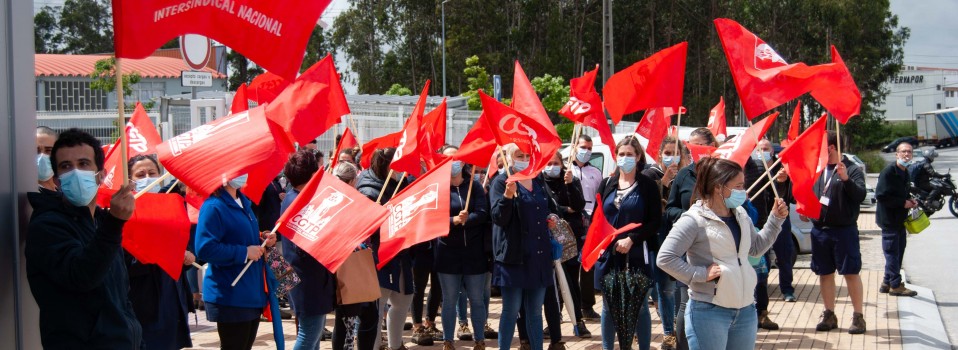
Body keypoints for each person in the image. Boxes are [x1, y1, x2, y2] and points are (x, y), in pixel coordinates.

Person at [26, 128, 140, 349]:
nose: (75, 172)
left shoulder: (100, 222)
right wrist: (114, 224)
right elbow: (82, 276)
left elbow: (121, 299)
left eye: (84, 164)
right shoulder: (47, 225)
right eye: (66, 167)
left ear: (101, 174)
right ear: (57, 180)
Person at [657, 158, 788, 350]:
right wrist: (701, 274)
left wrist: (775, 219)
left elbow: (756, 248)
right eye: (738, 186)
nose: (743, 190)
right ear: (719, 187)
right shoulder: (694, 219)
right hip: (708, 311)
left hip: (745, 310)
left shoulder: (741, 214)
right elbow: (665, 258)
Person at [196, 171, 278, 350]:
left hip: (250, 292)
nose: (244, 173)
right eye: (239, 169)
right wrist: (243, 253)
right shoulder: (213, 206)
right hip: (230, 294)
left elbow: (239, 236)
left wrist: (262, 238)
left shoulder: (242, 202)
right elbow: (204, 248)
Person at [594, 136, 662, 350]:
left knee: (639, 305)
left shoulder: (648, 186)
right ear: (615, 156)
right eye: (621, 154)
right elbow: (598, 219)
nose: (625, 158)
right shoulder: (606, 183)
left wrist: (633, 238)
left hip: (636, 255)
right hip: (608, 255)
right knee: (608, 305)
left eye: (629, 154)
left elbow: (654, 222)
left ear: (638, 156)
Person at [489, 144, 556, 350]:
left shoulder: (537, 179)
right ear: (509, 158)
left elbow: (549, 208)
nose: (524, 159)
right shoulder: (501, 182)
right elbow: (498, 218)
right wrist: (508, 196)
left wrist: (552, 217)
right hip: (514, 257)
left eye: (527, 155)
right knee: (511, 310)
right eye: (519, 155)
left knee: (535, 311)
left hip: (539, 255)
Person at [125, 154, 195, 350]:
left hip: (173, 300)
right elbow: (124, 263)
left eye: (152, 173)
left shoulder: (170, 207)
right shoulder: (125, 212)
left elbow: (181, 249)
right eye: (140, 174)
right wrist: (159, 253)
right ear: (130, 180)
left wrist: (185, 258)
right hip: (144, 304)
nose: (147, 177)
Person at [801, 131, 867, 334]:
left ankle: (858, 317)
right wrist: (806, 209)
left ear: (830, 147)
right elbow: (810, 193)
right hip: (820, 231)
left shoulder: (852, 169)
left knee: (850, 272)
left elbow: (860, 195)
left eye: (819, 146)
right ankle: (829, 314)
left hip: (844, 231)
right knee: (824, 273)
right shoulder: (818, 169)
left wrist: (846, 179)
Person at [663, 127, 718, 350]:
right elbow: (671, 208)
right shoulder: (684, 174)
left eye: (697, 145)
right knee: (686, 302)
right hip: (690, 249)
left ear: (710, 146)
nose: (692, 150)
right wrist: (688, 217)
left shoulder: (720, 172)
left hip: (717, 247)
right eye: (689, 146)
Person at [355, 148, 414, 350]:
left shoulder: (400, 183)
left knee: (404, 299)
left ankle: (395, 345)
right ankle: (373, 345)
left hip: (401, 252)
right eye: (396, 163)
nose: (401, 168)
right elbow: (366, 226)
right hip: (381, 256)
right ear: (385, 165)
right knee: (376, 308)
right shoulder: (369, 190)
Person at [434, 145, 491, 350]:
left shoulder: (474, 186)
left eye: (456, 159)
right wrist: (453, 220)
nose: (453, 163)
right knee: (449, 299)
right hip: (447, 253)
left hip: (474, 254)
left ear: (464, 161)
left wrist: (468, 219)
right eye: (447, 160)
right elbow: (433, 218)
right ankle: (448, 340)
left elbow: (483, 213)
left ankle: (479, 339)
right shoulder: (438, 187)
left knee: (476, 299)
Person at [281, 150, 337, 350]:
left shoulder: (294, 196)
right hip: (307, 279)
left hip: (305, 278)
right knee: (309, 334)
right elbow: (305, 245)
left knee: (313, 335)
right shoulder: (299, 201)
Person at [641, 136, 686, 350]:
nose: (671, 157)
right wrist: (664, 183)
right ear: (659, 154)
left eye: (676, 152)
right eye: (667, 153)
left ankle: (672, 333)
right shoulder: (650, 175)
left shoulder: (685, 176)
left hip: (676, 239)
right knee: (656, 288)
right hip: (653, 240)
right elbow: (643, 201)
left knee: (670, 289)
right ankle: (664, 332)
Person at [329, 161, 381, 350]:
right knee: (358, 319)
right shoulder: (349, 202)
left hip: (343, 265)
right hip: (352, 265)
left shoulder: (330, 198)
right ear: (352, 181)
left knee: (346, 320)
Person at [744, 140, 793, 331]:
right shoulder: (724, 170)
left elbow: (774, 194)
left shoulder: (759, 166)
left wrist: (780, 183)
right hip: (734, 229)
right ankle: (745, 315)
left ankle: (762, 313)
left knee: (761, 274)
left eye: (765, 149)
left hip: (759, 225)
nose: (760, 153)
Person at [542, 152, 591, 339]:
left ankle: (578, 321)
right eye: (549, 162)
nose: (552, 166)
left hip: (571, 240)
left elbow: (578, 205)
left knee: (571, 282)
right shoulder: (540, 180)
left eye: (556, 163)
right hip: (550, 239)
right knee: (554, 284)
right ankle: (554, 320)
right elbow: (547, 207)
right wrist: (563, 209)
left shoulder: (570, 178)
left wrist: (570, 185)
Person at [876, 142, 920, 298]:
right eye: (903, 152)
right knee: (892, 253)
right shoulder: (888, 172)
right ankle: (895, 285)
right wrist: (902, 203)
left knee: (898, 252)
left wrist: (910, 200)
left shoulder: (906, 172)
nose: (906, 155)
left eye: (909, 152)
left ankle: (886, 282)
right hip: (889, 221)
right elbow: (881, 196)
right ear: (897, 154)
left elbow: (903, 193)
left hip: (900, 220)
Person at [569, 134, 603, 320]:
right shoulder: (566, 170)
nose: (586, 151)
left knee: (588, 264)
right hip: (570, 221)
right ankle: (564, 306)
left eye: (589, 148)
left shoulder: (596, 173)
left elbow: (600, 198)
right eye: (583, 147)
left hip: (590, 222)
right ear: (575, 147)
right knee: (569, 265)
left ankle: (587, 305)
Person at [36, 126, 58, 191]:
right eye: (36, 151)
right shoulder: (26, 196)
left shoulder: (63, 193)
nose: (42, 156)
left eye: (48, 150)